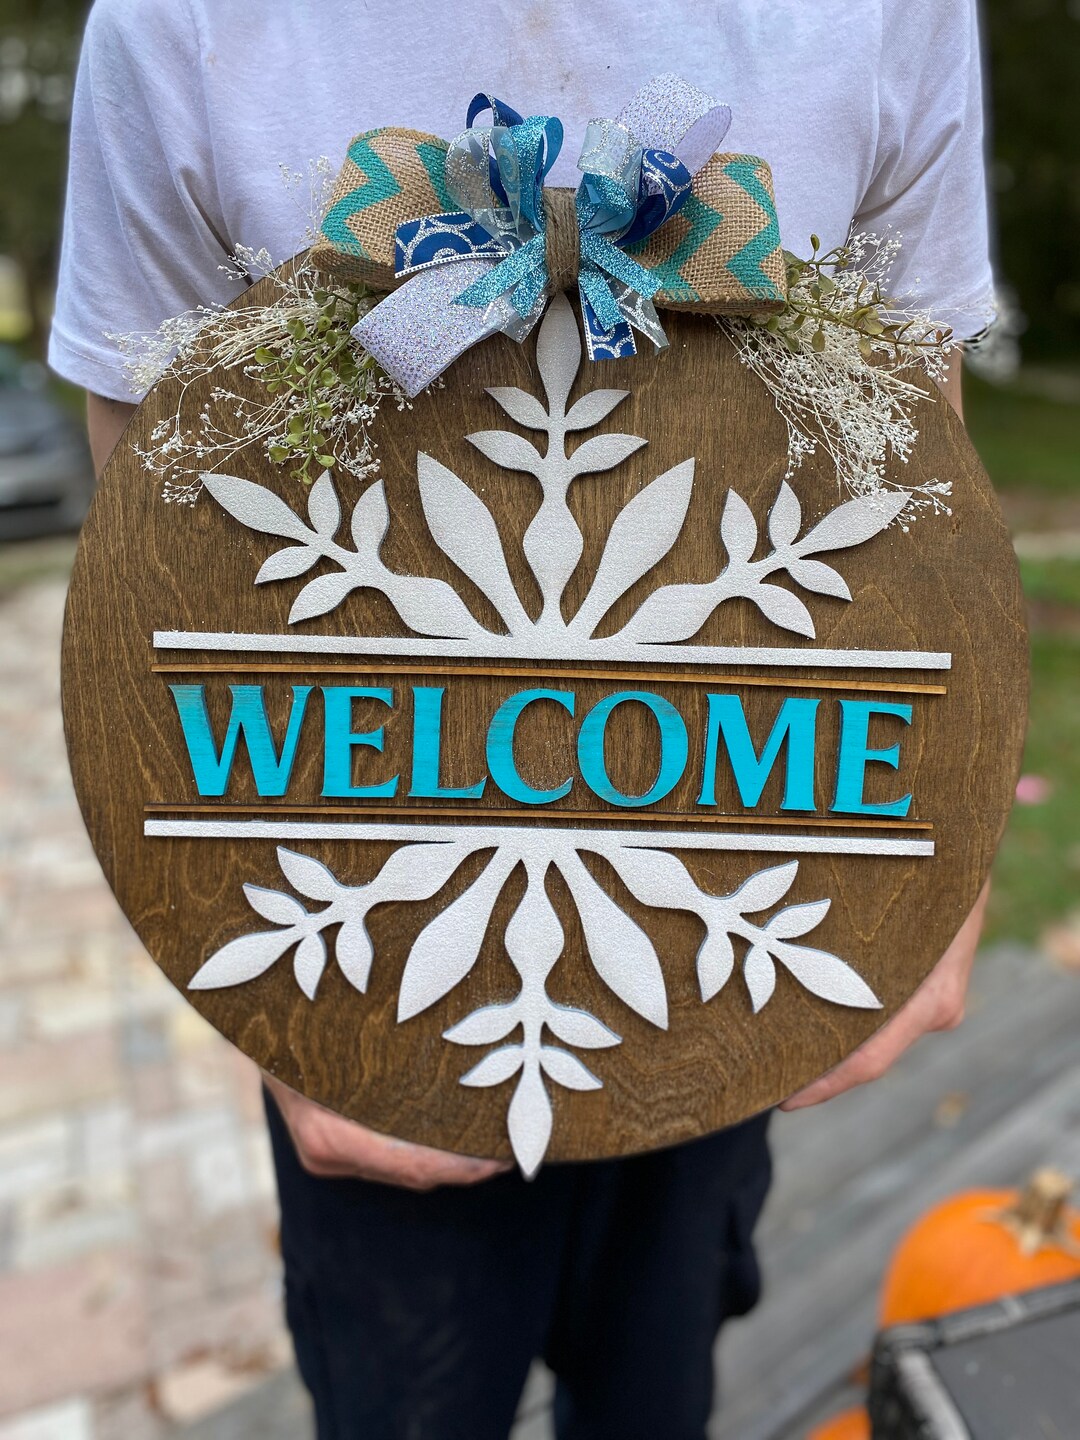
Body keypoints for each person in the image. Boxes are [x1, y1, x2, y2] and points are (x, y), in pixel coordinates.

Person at [49, 3, 994, 1436]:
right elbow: (149, 532)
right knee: (403, 1395)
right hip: (361, 937)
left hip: (724, 890)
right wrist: (243, 977)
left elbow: (916, 455)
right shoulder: (182, 25)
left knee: (660, 1381)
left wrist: (946, 834)